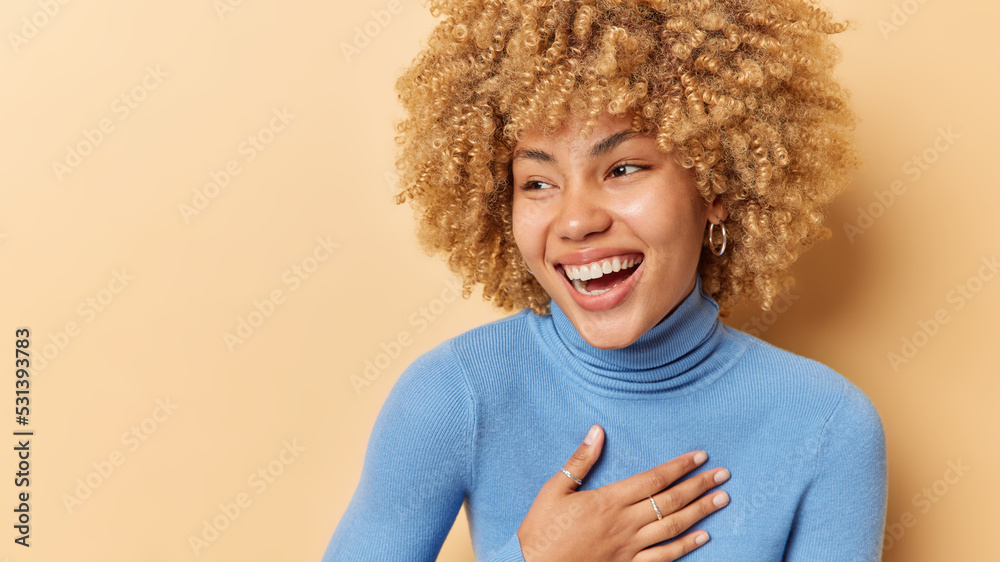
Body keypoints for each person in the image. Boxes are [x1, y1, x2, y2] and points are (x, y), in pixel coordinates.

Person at [323, 0, 887, 560]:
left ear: (717, 186)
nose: (575, 221)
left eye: (622, 170)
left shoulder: (827, 424)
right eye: (537, 182)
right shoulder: (456, 394)